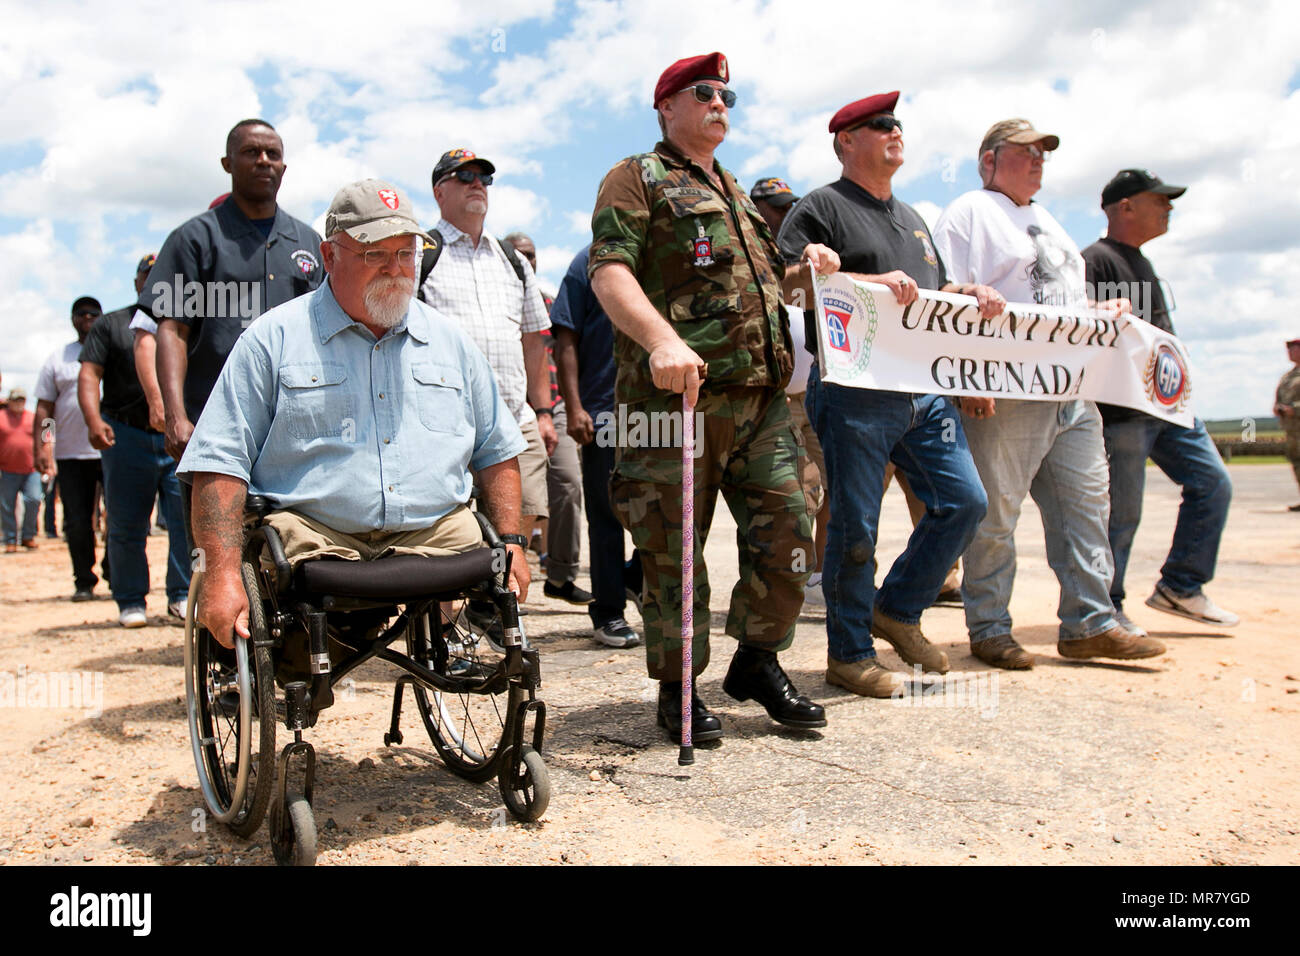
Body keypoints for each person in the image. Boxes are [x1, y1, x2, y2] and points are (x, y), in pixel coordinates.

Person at [590, 52, 840, 741]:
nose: (720, 103)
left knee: (792, 525)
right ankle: (678, 688)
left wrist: (806, 273)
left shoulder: (733, 191)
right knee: (673, 550)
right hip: (675, 404)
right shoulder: (637, 177)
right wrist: (660, 340)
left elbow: (757, 293)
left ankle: (757, 661)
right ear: (666, 106)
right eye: (704, 93)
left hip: (760, 401)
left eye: (728, 95)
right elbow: (609, 270)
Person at [177, 179, 530, 648]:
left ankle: (447, 644)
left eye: (406, 254)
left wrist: (512, 541)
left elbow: (497, 450)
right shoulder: (272, 339)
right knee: (294, 651)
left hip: (435, 532)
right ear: (328, 256)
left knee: (479, 551)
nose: (395, 269)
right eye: (373, 255)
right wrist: (221, 575)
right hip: (315, 537)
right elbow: (219, 461)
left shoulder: (451, 343)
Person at [777, 91, 993, 696]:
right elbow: (787, 285)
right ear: (846, 141)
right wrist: (833, 270)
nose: (895, 132)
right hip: (853, 390)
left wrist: (965, 291)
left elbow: (931, 290)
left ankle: (896, 607)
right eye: (880, 125)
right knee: (855, 525)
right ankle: (849, 656)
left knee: (964, 503)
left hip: (922, 391)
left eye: (898, 124)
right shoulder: (822, 206)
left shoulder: (914, 218)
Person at [932, 118, 1168, 667]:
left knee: (1087, 506)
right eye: (1025, 151)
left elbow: (1061, 302)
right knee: (996, 514)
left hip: (1071, 387)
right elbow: (947, 297)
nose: (1038, 159)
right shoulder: (969, 212)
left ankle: (1090, 621)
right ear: (989, 159)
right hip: (1006, 387)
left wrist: (1098, 311)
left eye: (1044, 152)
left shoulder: (1050, 223)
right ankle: (989, 627)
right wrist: (967, 380)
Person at [1083, 169, 1237, 630]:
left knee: (1214, 484)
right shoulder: (1097, 260)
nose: (1168, 207)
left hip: (1168, 408)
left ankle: (1181, 585)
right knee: (1121, 513)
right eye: (1160, 199)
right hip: (1124, 414)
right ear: (1125, 207)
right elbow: (1082, 327)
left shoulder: (1142, 262)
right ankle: (1105, 608)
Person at [420, 150, 555, 639]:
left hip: (514, 416)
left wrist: (542, 410)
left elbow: (533, 338)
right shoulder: (420, 252)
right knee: (446, 527)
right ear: (440, 191)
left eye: (485, 179)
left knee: (524, 513)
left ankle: (486, 602)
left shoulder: (513, 259)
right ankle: (445, 634)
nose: (479, 184)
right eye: (466, 177)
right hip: (442, 418)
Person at [144, 119, 323, 487]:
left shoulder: (309, 241)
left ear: (283, 168)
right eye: (250, 152)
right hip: (214, 425)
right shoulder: (194, 239)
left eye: (272, 154)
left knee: (290, 542)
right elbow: (172, 330)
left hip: (298, 429)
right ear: (227, 163)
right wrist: (176, 415)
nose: (263, 161)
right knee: (210, 543)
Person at [78, 259, 190, 628]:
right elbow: (90, 373)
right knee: (127, 523)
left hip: (179, 438)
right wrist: (93, 421)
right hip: (126, 436)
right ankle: (130, 600)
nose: (154, 282)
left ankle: (180, 596)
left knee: (182, 521)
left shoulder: (186, 322)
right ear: (137, 282)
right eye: (147, 277)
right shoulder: (111, 324)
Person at [551, 245, 643, 647]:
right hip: (603, 411)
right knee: (606, 517)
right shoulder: (585, 263)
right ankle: (608, 612)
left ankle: (634, 579)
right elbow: (565, 338)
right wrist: (574, 407)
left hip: (655, 413)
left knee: (663, 513)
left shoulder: (658, 252)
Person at [502, 231, 593, 608]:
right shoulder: (498, 300)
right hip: (508, 404)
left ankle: (561, 574)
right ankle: (499, 579)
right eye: (520, 255)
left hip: (552, 405)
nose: (528, 261)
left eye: (532, 254)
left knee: (569, 482)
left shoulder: (552, 304)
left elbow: (568, 351)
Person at [751, 178, 830, 590]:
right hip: (773, 398)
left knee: (826, 484)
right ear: (756, 208)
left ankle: (818, 572)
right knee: (792, 494)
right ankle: (781, 578)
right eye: (778, 209)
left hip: (813, 392)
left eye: (789, 209)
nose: (785, 217)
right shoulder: (753, 258)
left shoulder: (805, 258)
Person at [33, 297, 107, 597]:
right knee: (77, 520)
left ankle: (116, 572)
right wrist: (44, 445)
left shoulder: (112, 349)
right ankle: (84, 580)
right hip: (71, 454)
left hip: (112, 450)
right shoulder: (58, 359)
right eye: (81, 313)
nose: (87, 318)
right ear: (72, 319)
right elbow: (46, 408)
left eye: (93, 313)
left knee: (119, 517)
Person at [1, 389, 40, 553]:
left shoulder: (33, 416)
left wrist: (49, 454)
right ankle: (10, 539)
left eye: (22, 400)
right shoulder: (1, 417)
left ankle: (28, 536)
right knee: (7, 505)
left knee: (34, 499)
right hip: (7, 469)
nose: (18, 403)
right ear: (9, 401)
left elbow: (50, 427)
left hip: (31, 468)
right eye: (16, 400)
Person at [1277, 338, 1300, 511]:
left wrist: (1295, 410)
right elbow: (1280, 397)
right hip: (1292, 431)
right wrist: (1278, 408)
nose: (1290, 352)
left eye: (1294, 349)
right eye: (1289, 350)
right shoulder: (1288, 376)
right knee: (1297, 464)